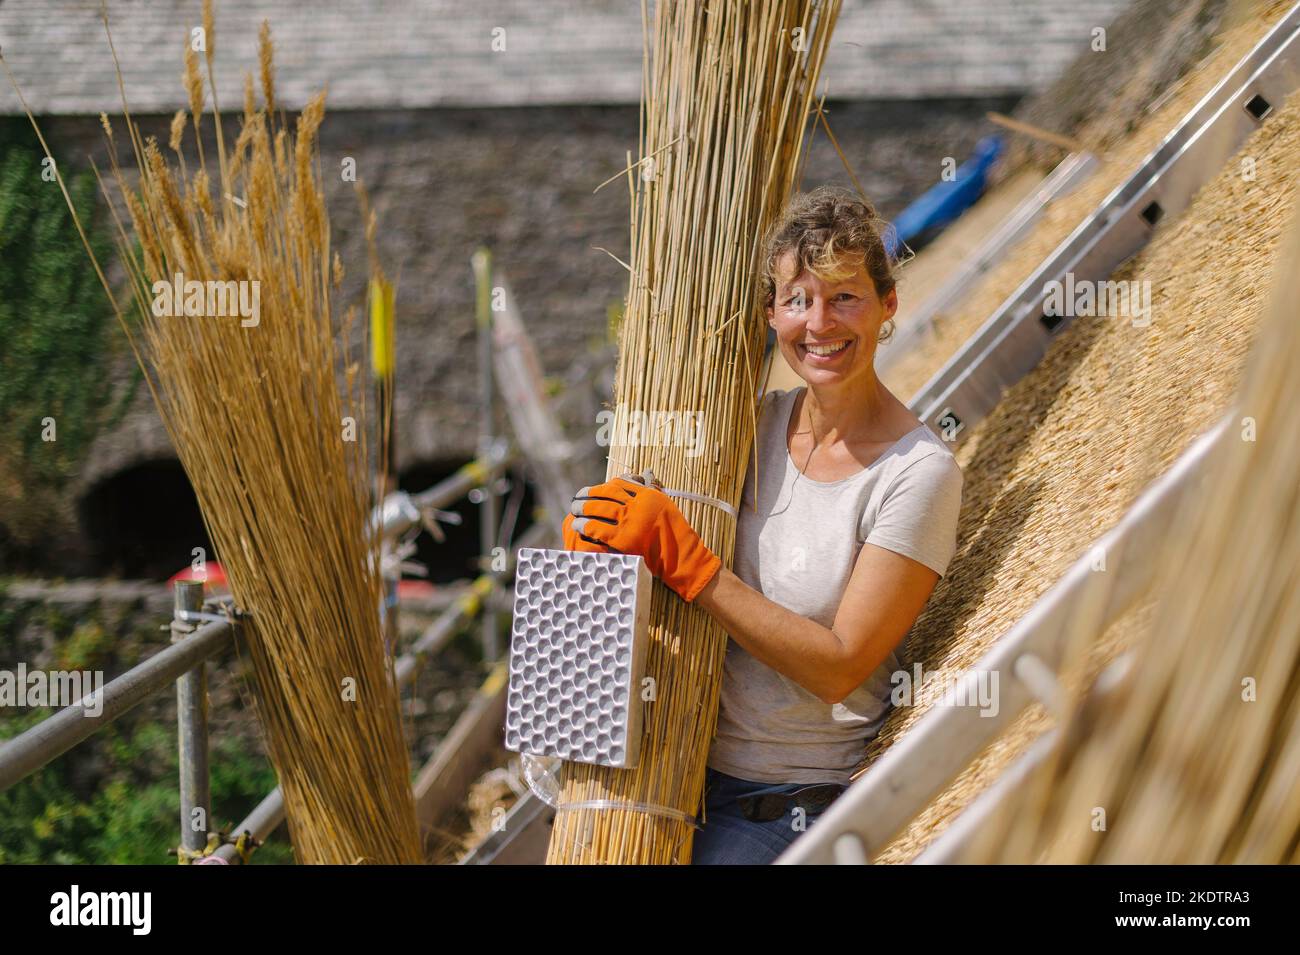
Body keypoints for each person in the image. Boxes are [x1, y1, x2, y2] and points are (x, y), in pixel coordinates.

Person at [562, 185, 963, 864]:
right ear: (772, 315)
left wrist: (692, 566)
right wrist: (595, 541)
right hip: (666, 775)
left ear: (888, 304)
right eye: (798, 300)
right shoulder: (742, 429)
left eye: (845, 297)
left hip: (787, 803)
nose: (820, 324)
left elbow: (840, 666)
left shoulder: (916, 474)